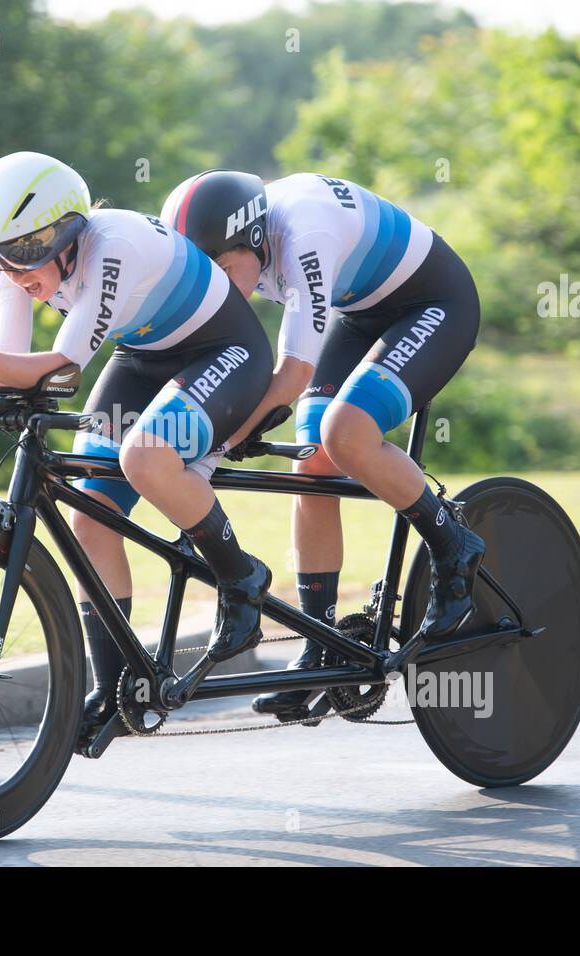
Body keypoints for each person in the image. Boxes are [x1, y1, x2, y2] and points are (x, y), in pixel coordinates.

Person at [0, 152, 274, 738]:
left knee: (145, 457)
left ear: (67, 230)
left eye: (26, 250)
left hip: (223, 352)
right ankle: (118, 686)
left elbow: (61, 365)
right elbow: (10, 371)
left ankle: (242, 577)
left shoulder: (111, 244)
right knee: (91, 516)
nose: (14, 269)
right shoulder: (15, 271)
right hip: (144, 360)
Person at [162, 169, 485, 719]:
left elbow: (290, 373)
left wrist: (220, 441)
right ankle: (320, 641)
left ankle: (454, 546)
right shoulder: (245, 242)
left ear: (257, 239)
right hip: (359, 313)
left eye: (221, 268)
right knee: (312, 463)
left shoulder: (305, 233)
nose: (217, 286)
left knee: (346, 433)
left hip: (434, 305)